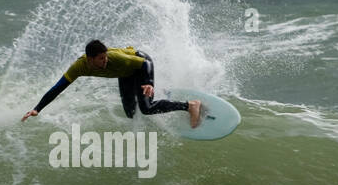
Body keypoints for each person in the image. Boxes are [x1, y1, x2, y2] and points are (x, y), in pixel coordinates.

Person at [21, 39, 202, 127]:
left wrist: (148, 83)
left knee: (146, 108)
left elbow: (145, 64)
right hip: (124, 74)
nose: (105, 61)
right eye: (100, 59)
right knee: (131, 113)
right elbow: (57, 88)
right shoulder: (79, 67)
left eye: (105, 57)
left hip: (139, 65)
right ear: (90, 60)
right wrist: (38, 108)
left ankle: (190, 105)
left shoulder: (115, 58)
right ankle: (162, 96)